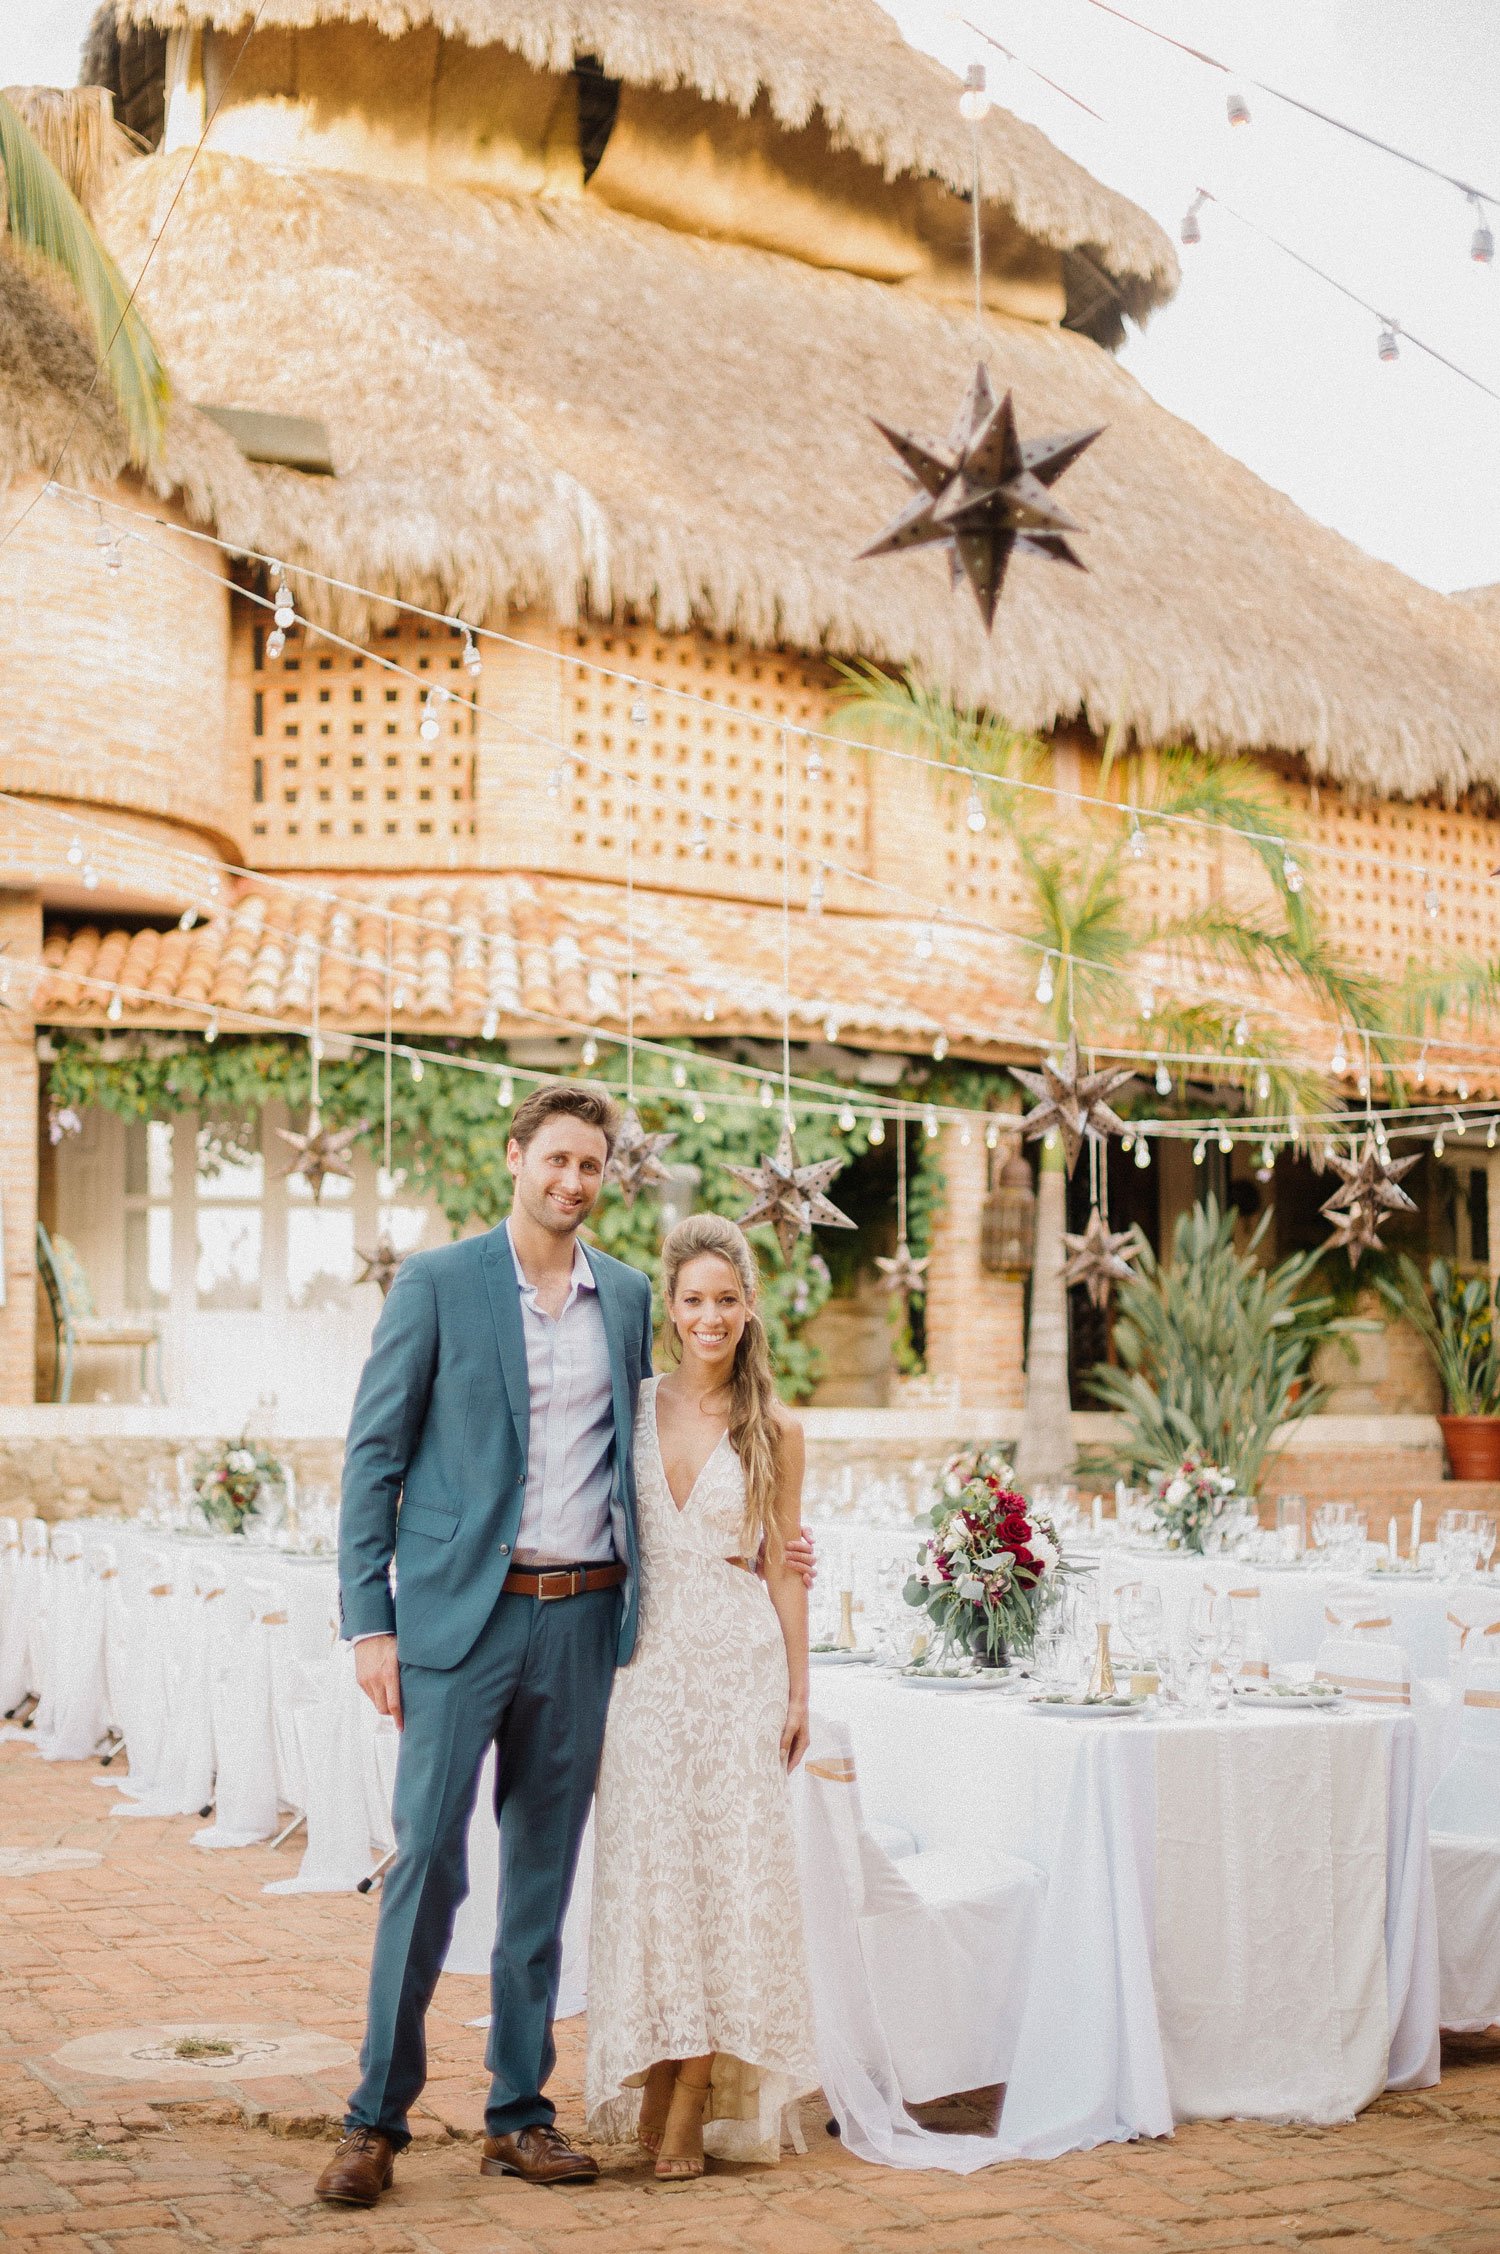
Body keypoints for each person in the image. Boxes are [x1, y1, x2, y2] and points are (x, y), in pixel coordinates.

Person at [318, 1084, 815, 2207]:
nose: (573, 1181)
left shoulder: (628, 1296)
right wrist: (370, 1619)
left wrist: (775, 1543)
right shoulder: (438, 1283)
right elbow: (372, 1458)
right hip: (457, 1623)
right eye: (556, 1159)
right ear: (516, 1158)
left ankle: (518, 2115)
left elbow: (676, 1441)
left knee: (541, 1880)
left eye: (590, 1164)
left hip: (587, 1623)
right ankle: (373, 2121)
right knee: (426, 1866)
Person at [585, 1212, 819, 2180]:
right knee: (651, 1870)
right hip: (644, 1666)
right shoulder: (630, 1405)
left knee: (725, 1878)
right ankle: (654, 2059)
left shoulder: (776, 1429)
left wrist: (800, 1690)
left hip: (736, 1670)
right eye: (693, 1300)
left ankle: (692, 2090)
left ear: (749, 1305)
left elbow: (785, 1565)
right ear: (671, 1310)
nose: (710, 1316)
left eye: (727, 1298)